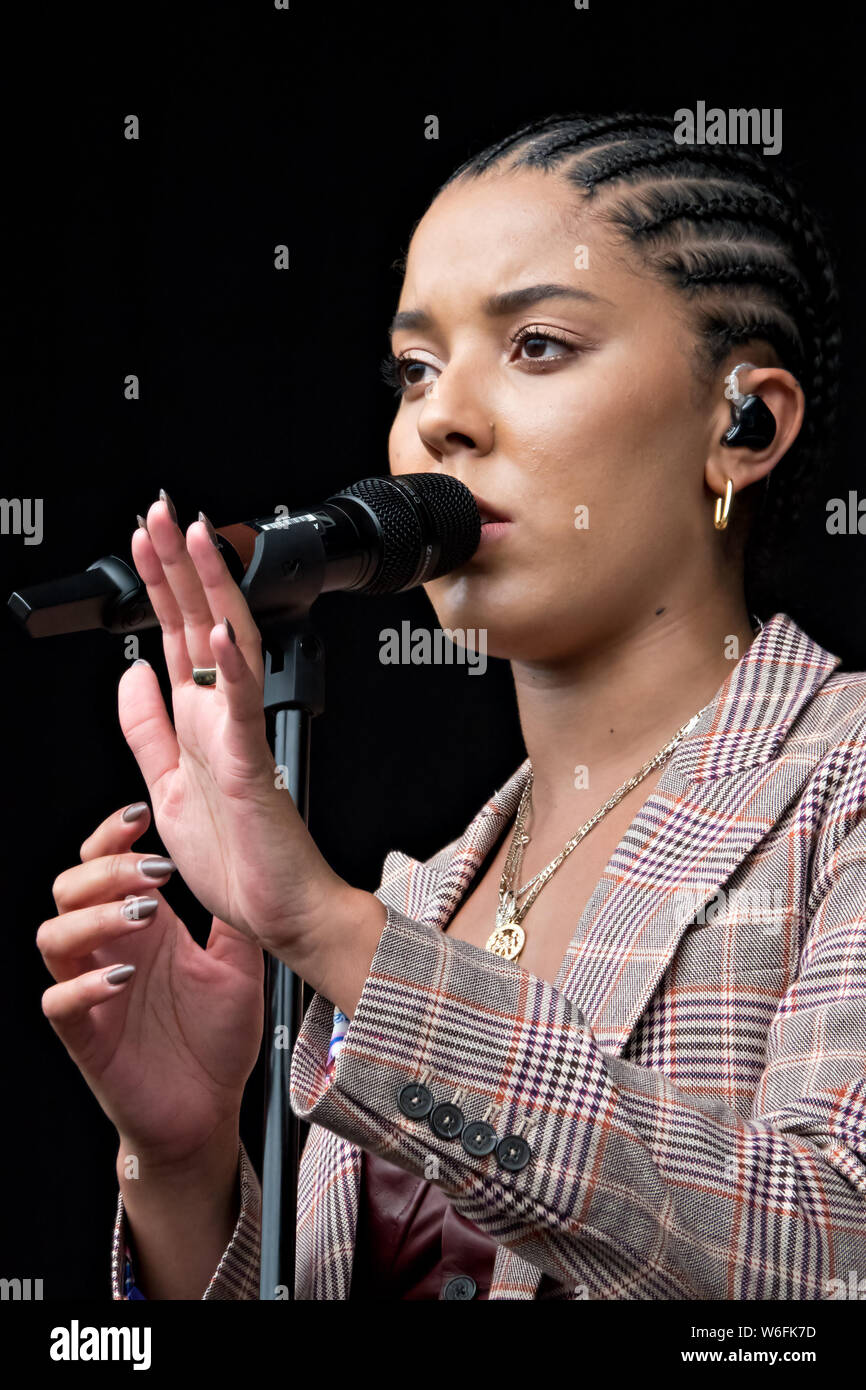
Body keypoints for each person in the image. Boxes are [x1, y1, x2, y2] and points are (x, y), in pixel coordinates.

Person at [38, 111, 866, 1301]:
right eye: (414, 369)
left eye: (534, 344)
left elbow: (832, 1259)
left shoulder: (835, 786)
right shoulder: (419, 897)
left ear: (743, 424)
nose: (438, 421)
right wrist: (183, 1166)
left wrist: (331, 936)